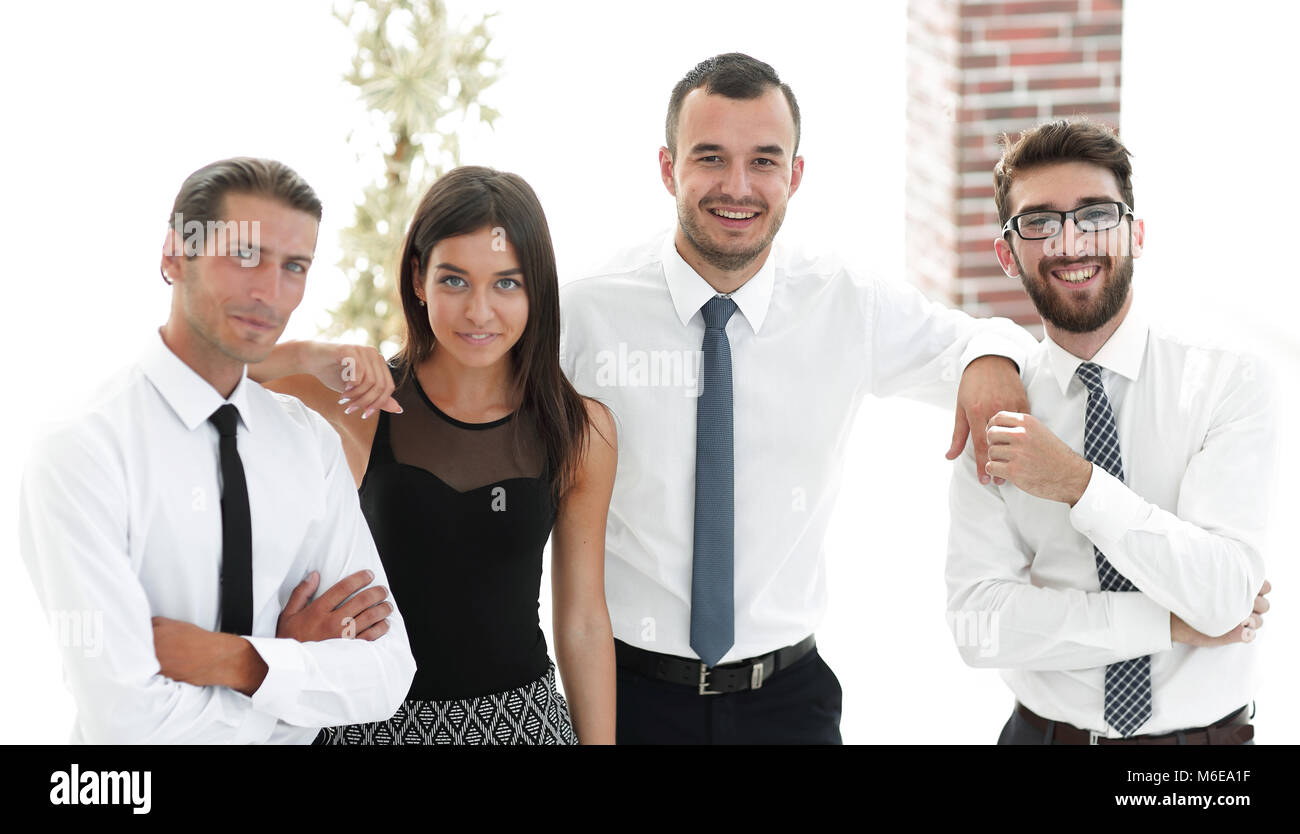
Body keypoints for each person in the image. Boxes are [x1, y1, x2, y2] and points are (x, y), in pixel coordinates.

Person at [558, 53, 1040, 744]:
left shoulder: (846, 304)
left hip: (787, 704)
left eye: (764, 161)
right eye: (710, 158)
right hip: (626, 699)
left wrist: (992, 353)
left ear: (796, 175)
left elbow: (975, 341)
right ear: (667, 169)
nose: (737, 186)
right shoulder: (585, 316)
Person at [18, 157, 416, 743]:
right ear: (174, 254)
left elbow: (385, 674)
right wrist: (291, 670)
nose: (269, 293)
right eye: (245, 255)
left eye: (294, 267)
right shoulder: (84, 450)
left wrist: (241, 662)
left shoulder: (309, 445)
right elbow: (127, 720)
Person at [250, 166, 618, 744]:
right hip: (371, 722)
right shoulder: (362, 402)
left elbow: (584, 623)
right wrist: (314, 353)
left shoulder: (580, 429)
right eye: (454, 281)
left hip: (522, 727)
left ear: (537, 288)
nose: (478, 311)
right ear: (418, 279)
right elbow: (208, 367)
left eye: (506, 283)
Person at [944, 119, 1275, 744]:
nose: (1070, 243)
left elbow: (1227, 595)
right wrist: (1168, 624)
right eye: (1039, 222)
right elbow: (978, 625)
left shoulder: (1225, 382)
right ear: (1008, 254)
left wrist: (1077, 484)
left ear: (1137, 234)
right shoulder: (996, 406)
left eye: (1095, 215)